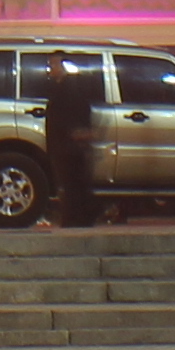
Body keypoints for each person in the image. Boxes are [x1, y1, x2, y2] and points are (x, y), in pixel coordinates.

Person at [41, 52, 102, 229]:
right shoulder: (59, 87)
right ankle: (78, 218)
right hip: (62, 144)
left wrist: (78, 132)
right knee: (71, 183)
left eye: (53, 65)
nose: (50, 69)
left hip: (69, 146)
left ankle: (75, 220)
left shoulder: (72, 88)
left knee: (72, 183)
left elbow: (79, 112)